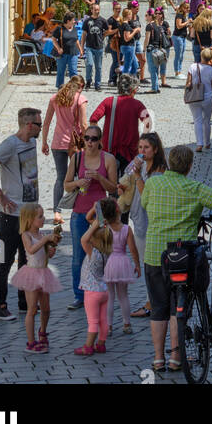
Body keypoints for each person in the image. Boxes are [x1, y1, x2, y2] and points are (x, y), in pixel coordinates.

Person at [141, 145, 212, 373]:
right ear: (189, 166)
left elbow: (145, 204)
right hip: (183, 256)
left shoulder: (154, 183)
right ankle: (177, 358)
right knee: (179, 307)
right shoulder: (193, 187)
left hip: (156, 254)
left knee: (158, 307)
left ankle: (158, 358)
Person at [0, 107, 43, 321]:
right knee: (4, 261)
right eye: (39, 124)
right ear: (29, 125)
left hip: (28, 214)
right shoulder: (10, 144)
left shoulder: (32, 142)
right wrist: (0, 195)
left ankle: (23, 301)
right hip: (10, 215)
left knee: (27, 260)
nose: (41, 128)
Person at [63, 122, 119, 310]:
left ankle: (102, 290)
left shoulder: (108, 159)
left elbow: (113, 188)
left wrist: (99, 178)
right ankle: (79, 295)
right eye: (86, 138)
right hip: (79, 211)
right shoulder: (77, 158)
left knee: (102, 253)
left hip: (100, 213)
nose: (89, 142)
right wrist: (79, 182)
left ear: (100, 141)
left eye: (93, 139)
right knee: (78, 255)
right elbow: (66, 184)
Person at [125, 133, 168, 319]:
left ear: (155, 149)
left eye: (146, 148)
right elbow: (125, 181)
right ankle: (155, 301)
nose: (142, 151)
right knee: (148, 265)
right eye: (140, 147)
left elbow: (147, 196)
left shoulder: (158, 171)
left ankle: (152, 303)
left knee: (151, 266)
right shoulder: (137, 164)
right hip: (139, 219)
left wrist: (136, 176)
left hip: (151, 223)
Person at [11, 203, 61, 354]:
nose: (43, 218)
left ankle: (43, 332)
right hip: (31, 274)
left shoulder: (41, 235)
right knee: (32, 309)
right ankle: (31, 341)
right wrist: (45, 240)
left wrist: (51, 250)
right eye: (40, 216)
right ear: (29, 219)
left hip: (44, 273)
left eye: (43, 215)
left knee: (46, 309)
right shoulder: (26, 235)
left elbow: (45, 255)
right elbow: (31, 250)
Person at [41, 74, 88, 225]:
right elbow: (84, 125)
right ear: (79, 87)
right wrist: (89, 143)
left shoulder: (55, 98)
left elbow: (47, 122)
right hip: (74, 145)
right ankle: (80, 207)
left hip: (58, 143)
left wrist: (44, 142)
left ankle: (56, 212)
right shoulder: (80, 99)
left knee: (60, 178)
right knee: (80, 176)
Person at [89, 74, 151, 175]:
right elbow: (148, 123)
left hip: (109, 150)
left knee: (110, 183)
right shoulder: (137, 104)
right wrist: (142, 143)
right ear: (133, 89)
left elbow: (93, 119)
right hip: (130, 152)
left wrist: (99, 139)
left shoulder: (108, 101)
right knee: (127, 185)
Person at [99, 194, 140, 334]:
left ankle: (108, 326)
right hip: (122, 261)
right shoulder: (126, 229)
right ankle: (126, 324)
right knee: (123, 295)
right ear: (118, 211)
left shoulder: (104, 229)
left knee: (110, 296)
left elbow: (102, 248)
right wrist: (137, 264)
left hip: (110, 262)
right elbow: (133, 249)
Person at [74, 217, 112, 356]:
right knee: (103, 319)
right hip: (104, 290)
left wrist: (94, 225)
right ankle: (101, 344)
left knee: (93, 321)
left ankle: (88, 346)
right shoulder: (107, 252)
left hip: (92, 292)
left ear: (95, 240)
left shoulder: (93, 252)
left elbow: (83, 239)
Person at [185, 47, 212, 152]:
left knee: (197, 120)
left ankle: (199, 144)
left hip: (194, 97)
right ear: (210, 58)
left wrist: (186, 94)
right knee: (207, 121)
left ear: (201, 56)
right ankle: (207, 142)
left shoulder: (192, 67)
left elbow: (188, 83)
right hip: (208, 98)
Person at [80, 1, 110, 91]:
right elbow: (84, 34)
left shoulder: (102, 20)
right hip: (89, 46)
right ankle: (88, 81)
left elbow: (108, 30)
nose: (97, 11)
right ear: (92, 10)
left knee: (99, 67)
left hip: (99, 47)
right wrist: (82, 47)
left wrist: (103, 36)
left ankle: (98, 84)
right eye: (95, 10)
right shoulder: (87, 21)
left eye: (98, 10)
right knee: (89, 64)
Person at [52, 11, 82, 89]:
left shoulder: (74, 29)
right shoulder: (59, 29)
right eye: (73, 20)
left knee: (73, 71)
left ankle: (74, 87)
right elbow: (54, 39)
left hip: (73, 53)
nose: (74, 21)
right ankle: (60, 88)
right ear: (68, 21)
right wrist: (58, 48)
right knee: (61, 72)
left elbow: (76, 40)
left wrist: (80, 49)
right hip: (63, 54)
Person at [144, 10, 170, 93]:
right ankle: (156, 86)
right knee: (156, 69)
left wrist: (144, 49)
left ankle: (154, 88)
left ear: (150, 16)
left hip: (151, 50)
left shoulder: (149, 26)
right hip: (158, 50)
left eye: (146, 15)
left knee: (152, 69)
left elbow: (147, 39)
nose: (145, 17)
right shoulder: (158, 25)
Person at [119, 7, 142, 76]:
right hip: (128, 47)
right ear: (128, 15)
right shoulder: (126, 26)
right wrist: (135, 31)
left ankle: (131, 80)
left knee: (135, 65)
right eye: (130, 14)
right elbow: (127, 38)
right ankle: (124, 82)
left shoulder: (122, 25)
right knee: (127, 66)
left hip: (126, 47)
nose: (131, 16)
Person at [105, 4, 123, 86]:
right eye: (116, 9)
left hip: (121, 43)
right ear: (113, 9)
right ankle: (112, 79)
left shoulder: (121, 19)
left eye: (119, 9)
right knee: (115, 61)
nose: (118, 10)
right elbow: (108, 32)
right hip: (114, 43)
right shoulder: (110, 20)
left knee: (121, 61)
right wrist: (117, 30)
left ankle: (119, 79)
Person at [171, 0, 190, 76]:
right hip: (177, 37)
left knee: (181, 55)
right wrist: (187, 22)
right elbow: (179, 26)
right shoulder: (179, 15)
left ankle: (179, 71)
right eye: (186, 8)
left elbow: (183, 25)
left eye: (188, 8)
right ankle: (177, 72)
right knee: (178, 55)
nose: (187, 9)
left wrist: (188, 25)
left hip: (182, 37)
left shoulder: (184, 15)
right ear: (182, 8)